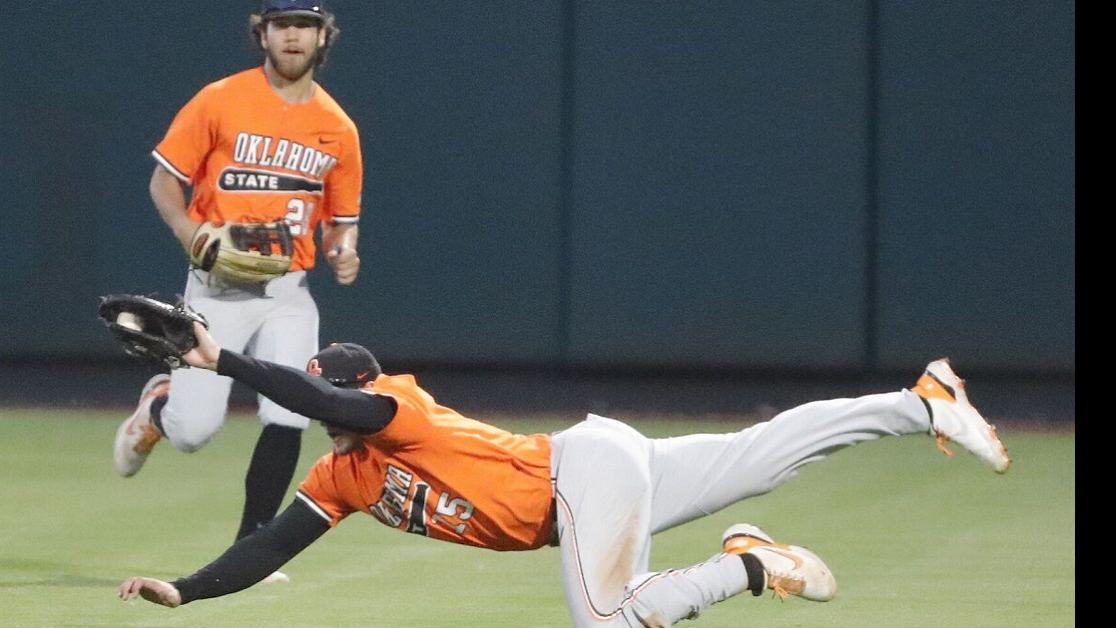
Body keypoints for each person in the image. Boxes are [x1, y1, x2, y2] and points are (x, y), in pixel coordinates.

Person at [118, 322, 1010, 626]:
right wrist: (187, 592)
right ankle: (919, 401)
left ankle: (749, 565)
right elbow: (275, 539)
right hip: (597, 476)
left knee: (606, 620)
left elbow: (348, 409)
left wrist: (223, 360)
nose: (323, 407)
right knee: (764, 452)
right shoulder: (344, 478)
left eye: (328, 393)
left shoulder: (397, 407)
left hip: (581, 477)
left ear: (354, 387)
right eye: (317, 397)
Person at [112, 0, 363, 573]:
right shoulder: (220, 99)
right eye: (283, 26)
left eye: (306, 26)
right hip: (215, 289)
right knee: (194, 431)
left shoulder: (338, 128)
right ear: (263, 34)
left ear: (324, 37)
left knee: (291, 412)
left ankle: (252, 547)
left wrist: (343, 252)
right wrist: (188, 230)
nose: (294, 37)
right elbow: (163, 181)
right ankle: (159, 409)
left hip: (287, 294)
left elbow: (341, 223)